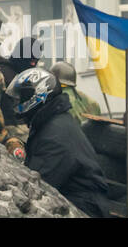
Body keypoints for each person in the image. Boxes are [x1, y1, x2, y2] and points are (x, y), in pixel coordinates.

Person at [7, 66, 109, 217]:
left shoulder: (54, 135)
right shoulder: (53, 121)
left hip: (84, 209)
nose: (18, 102)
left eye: (22, 97)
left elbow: (37, 184)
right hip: (79, 203)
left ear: (38, 94)